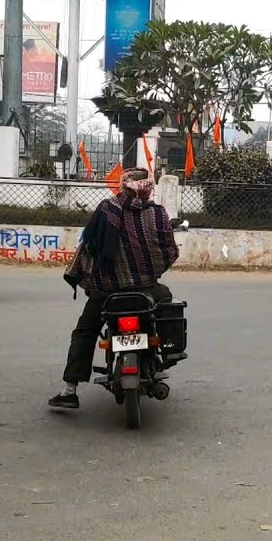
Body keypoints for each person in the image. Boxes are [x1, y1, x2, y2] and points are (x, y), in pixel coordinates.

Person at [50, 168, 179, 409]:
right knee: (167, 301)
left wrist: (89, 282)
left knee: (85, 332)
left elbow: (88, 248)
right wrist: (152, 273)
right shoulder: (157, 213)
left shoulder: (106, 209)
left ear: (123, 185)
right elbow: (170, 251)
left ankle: (70, 391)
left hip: (107, 293)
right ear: (148, 188)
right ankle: (169, 351)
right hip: (146, 290)